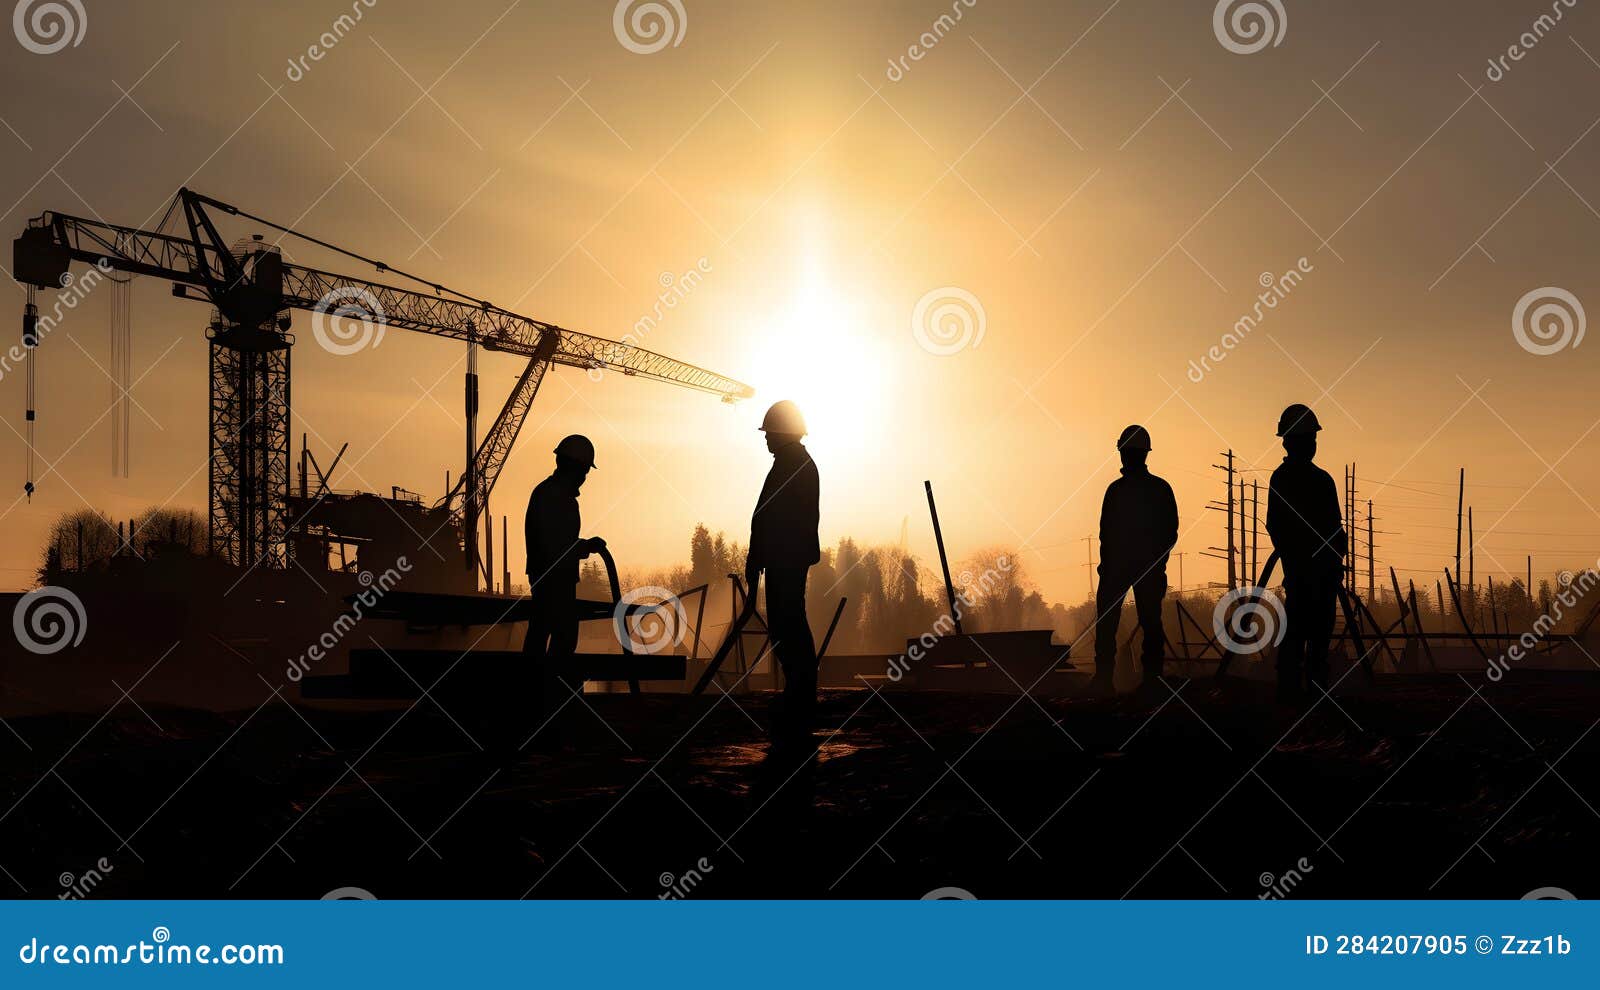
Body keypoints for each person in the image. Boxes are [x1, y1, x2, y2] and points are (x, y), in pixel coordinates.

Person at [745, 400, 821, 755]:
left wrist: (762, 554)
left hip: (785, 559)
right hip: (781, 558)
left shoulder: (793, 465)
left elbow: (777, 517)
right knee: (785, 623)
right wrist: (758, 554)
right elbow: (768, 515)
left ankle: (801, 694)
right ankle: (799, 692)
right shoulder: (792, 464)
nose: (765, 440)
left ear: (782, 433)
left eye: (769, 433)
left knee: (788, 622)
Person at [522, 434, 605, 750]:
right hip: (552, 579)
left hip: (553, 577)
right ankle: (546, 703)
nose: (585, 476)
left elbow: (557, 545)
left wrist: (581, 548)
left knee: (548, 635)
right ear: (576, 467)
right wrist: (584, 548)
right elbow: (555, 547)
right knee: (558, 637)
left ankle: (542, 701)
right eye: (584, 470)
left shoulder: (552, 495)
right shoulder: (554, 497)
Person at [1265, 404, 1346, 703]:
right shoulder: (1285, 480)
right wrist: (1301, 556)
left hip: (1319, 572)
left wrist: (1335, 557)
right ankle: (1293, 693)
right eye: (1306, 439)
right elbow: (1278, 527)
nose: (1310, 445)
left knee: (1316, 632)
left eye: (1312, 439)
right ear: (1289, 442)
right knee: (1300, 630)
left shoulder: (1320, 480)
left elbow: (1335, 529)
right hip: (1303, 572)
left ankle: (1311, 693)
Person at [1092, 425, 1179, 696]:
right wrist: (1156, 562)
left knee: (1114, 623)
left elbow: (1106, 533)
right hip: (1140, 567)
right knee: (1149, 622)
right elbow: (1169, 532)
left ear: (1123, 454)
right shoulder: (1158, 489)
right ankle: (1150, 679)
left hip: (1123, 568)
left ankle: (1107, 679)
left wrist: (1109, 567)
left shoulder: (1117, 491)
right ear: (1144, 454)